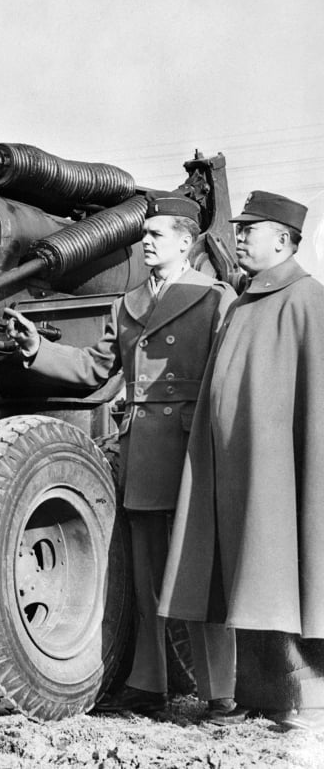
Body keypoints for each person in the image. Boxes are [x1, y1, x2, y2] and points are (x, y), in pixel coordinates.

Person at [4, 192, 238, 717]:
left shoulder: (216, 297)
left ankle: (220, 692)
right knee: (147, 575)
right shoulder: (129, 303)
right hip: (142, 449)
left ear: (185, 242)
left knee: (202, 572)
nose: (146, 242)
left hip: (191, 452)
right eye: (144, 233)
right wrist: (38, 350)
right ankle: (148, 685)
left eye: (156, 234)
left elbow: (229, 381)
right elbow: (94, 368)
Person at [159, 191, 324, 731]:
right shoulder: (244, 301)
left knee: (281, 582)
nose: (242, 237)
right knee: (244, 586)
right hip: (234, 473)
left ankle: (303, 704)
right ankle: (265, 698)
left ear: (283, 239)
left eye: (251, 229)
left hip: (280, 475)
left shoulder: (307, 300)